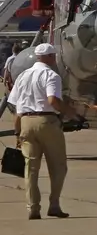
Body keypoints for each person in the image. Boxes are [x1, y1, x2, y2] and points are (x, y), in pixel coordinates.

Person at [10, 43, 83, 220]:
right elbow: (52, 100)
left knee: (31, 169)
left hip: (25, 121)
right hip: (46, 121)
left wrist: (17, 132)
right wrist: (71, 113)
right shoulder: (51, 75)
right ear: (50, 57)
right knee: (58, 166)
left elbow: (17, 107)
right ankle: (54, 204)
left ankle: (33, 208)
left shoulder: (22, 76)